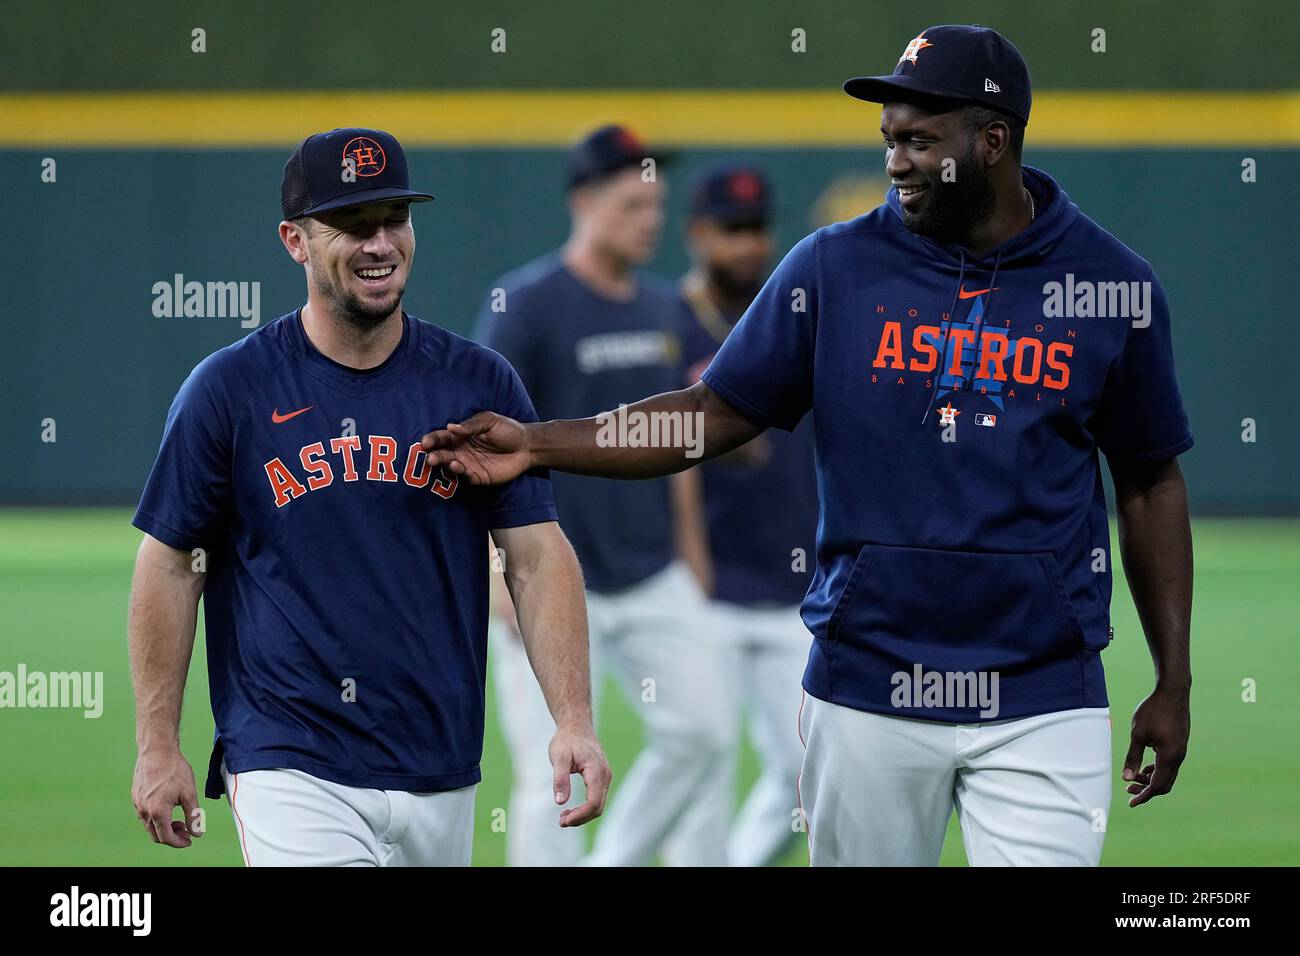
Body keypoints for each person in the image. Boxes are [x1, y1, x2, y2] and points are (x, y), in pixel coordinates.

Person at [421, 26, 1196, 867]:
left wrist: (1175, 677)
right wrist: (538, 444)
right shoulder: (836, 267)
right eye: (889, 138)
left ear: (994, 141)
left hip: (1045, 695)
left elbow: (1151, 483)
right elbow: (710, 412)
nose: (896, 160)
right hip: (869, 685)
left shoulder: (1110, 286)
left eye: (920, 140)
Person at [128, 127, 609, 866]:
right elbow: (169, 565)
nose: (379, 242)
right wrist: (158, 745)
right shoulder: (229, 392)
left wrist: (573, 719)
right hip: (289, 758)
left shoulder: (477, 386)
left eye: (394, 218)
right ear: (295, 240)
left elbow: (538, 558)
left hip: (440, 766)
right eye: (351, 225)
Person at [476, 125, 731, 866]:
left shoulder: (664, 309)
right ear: (583, 202)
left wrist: (694, 558)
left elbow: (679, 442)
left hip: (653, 572)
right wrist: (498, 576)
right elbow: (485, 448)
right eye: (631, 204)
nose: (650, 218)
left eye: (656, 204)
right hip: (548, 575)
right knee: (549, 776)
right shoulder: (525, 306)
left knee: (707, 734)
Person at [667, 164, 817, 866]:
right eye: (731, 230)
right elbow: (667, 465)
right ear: (698, 234)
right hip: (706, 587)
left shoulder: (793, 314)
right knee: (703, 768)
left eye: (757, 229)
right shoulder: (670, 319)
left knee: (807, 773)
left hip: (795, 587)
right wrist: (688, 570)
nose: (748, 244)